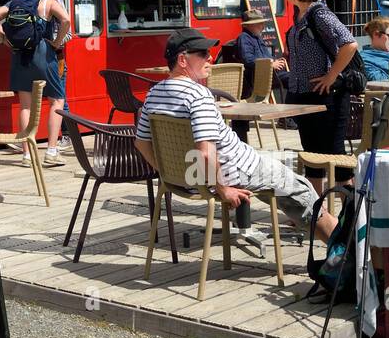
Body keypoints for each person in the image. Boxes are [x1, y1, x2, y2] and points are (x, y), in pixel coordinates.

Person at [133, 27, 336, 240]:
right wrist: (223, 190)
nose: (210, 57)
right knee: (301, 188)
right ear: (182, 60)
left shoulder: (153, 94)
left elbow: (141, 143)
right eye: (202, 54)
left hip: (188, 178)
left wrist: (168, 172)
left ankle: (325, 236)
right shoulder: (199, 96)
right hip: (236, 170)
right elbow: (205, 153)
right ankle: (342, 251)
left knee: (283, 171)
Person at [282, 0, 358, 191]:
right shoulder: (301, 15)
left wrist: (331, 75)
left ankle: (349, 214)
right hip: (306, 96)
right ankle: (317, 211)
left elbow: (349, 43)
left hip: (328, 97)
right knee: (311, 155)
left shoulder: (319, 13)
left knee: (335, 155)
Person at [0, 0, 72, 167]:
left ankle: (26, 155)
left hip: (19, 55)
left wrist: (4, 39)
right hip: (43, 52)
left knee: (25, 105)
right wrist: (57, 42)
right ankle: (51, 151)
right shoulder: (49, 1)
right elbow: (66, 20)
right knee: (56, 101)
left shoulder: (16, 1)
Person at [235, 10, 287, 95]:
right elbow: (248, 60)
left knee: (295, 79)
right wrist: (270, 65)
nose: (263, 27)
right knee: (293, 80)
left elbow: (266, 55)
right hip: (259, 77)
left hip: (269, 73)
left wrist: (276, 61)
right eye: (259, 24)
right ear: (250, 25)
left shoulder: (257, 37)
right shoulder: (244, 38)